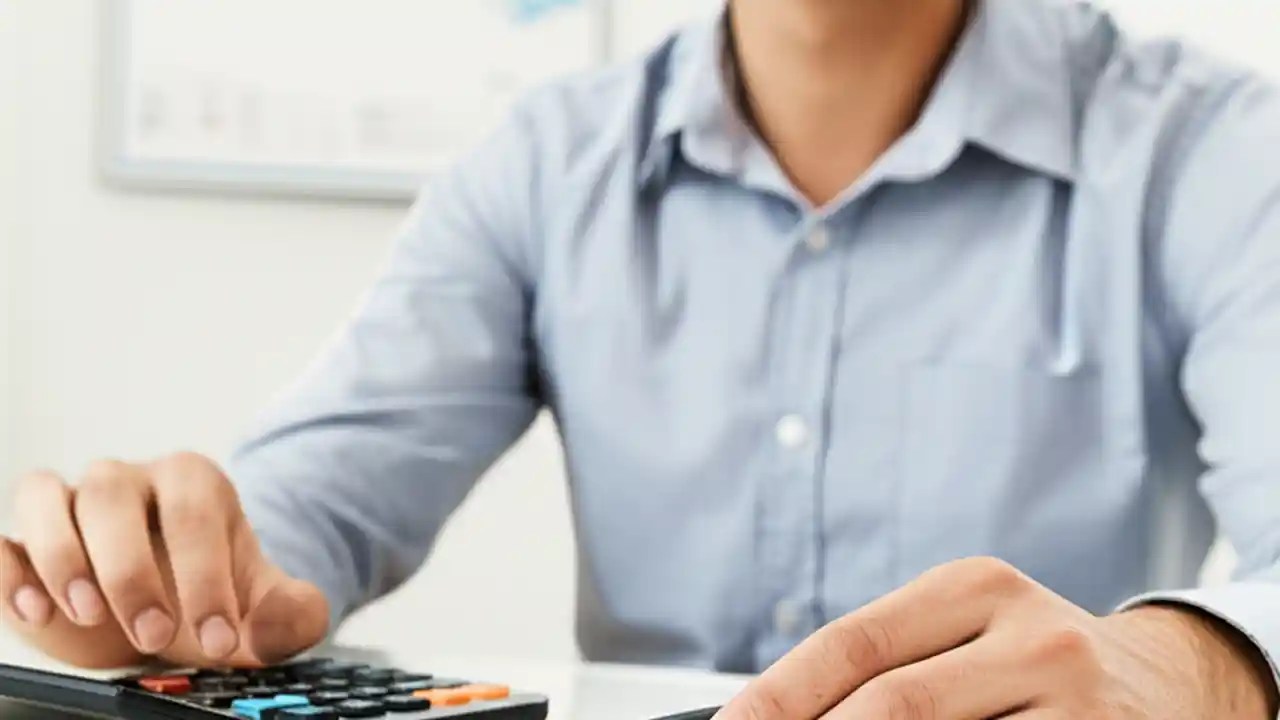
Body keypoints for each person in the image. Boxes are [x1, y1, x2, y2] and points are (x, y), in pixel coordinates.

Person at [4, 0, 1280, 716]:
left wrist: (1181, 667)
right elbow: (318, 493)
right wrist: (184, 580)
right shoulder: (546, 160)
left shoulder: (1208, 152)